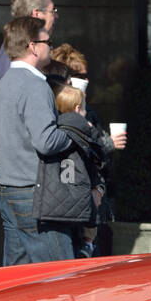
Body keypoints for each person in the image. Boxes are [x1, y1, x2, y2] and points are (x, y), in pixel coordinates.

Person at [0, 16, 74, 265]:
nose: (51, 47)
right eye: (48, 41)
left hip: (8, 190)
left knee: (18, 279)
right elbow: (46, 141)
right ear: (33, 46)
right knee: (61, 275)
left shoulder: (1, 86)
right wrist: (75, 133)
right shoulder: (35, 85)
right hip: (35, 192)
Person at [50, 44, 127, 255]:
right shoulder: (57, 114)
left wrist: (100, 189)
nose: (86, 80)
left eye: (86, 75)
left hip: (92, 195)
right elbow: (88, 152)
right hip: (75, 201)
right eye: (79, 75)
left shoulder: (87, 110)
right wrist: (109, 143)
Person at [30, 84, 110, 257]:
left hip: (56, 205)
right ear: (77, 108)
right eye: (84, 107)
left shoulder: (53, 131)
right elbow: (101, 156)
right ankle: (88, 246)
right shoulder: (84, 129)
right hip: (81, 202)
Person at [0, 0, 58, 90]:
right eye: (53, 11)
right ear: (37, 14)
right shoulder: (16, 50)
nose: (56, 16)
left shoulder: (15, 45)